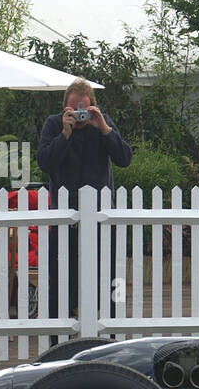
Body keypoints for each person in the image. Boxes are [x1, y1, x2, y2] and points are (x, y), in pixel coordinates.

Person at [37, 78, 134, 320]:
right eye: (74, 110)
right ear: (65, 108)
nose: (80, 115)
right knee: (60, 276)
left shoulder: (102, 124)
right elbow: (45, 163)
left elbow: (124, 159)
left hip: (101, 214)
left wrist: (104, 128)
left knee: (112, 272)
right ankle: (59, 332)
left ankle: (112, 324)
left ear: (92, 107)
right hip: (65, 214)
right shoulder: (54, 124)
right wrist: (65, 134)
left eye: (84, 109)